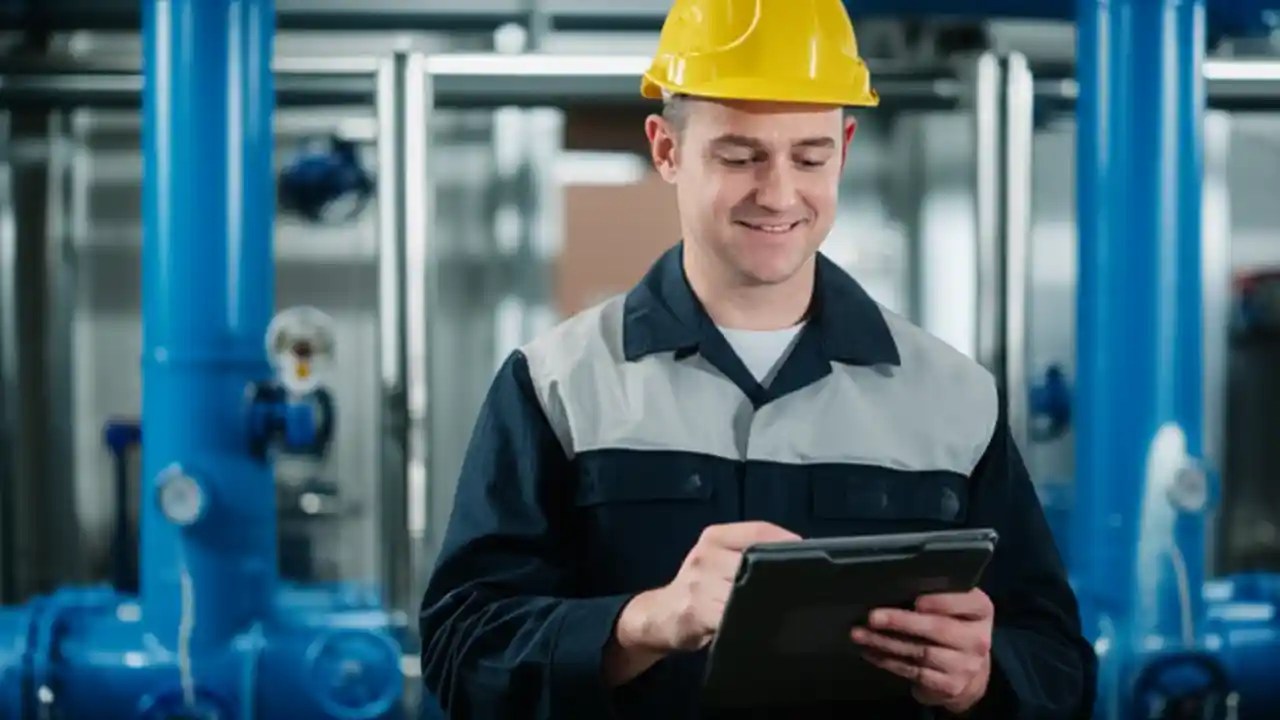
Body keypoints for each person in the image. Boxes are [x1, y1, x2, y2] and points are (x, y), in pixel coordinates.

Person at [418, 1, 1097, 717]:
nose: (778, 193)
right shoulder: (557, 386)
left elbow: (1060, 667)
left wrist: (988, 678)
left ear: (847, 146)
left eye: (810, 157)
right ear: (666, 149)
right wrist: (645, 621)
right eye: (739, 156)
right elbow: (462, 654)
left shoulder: (954, 399)